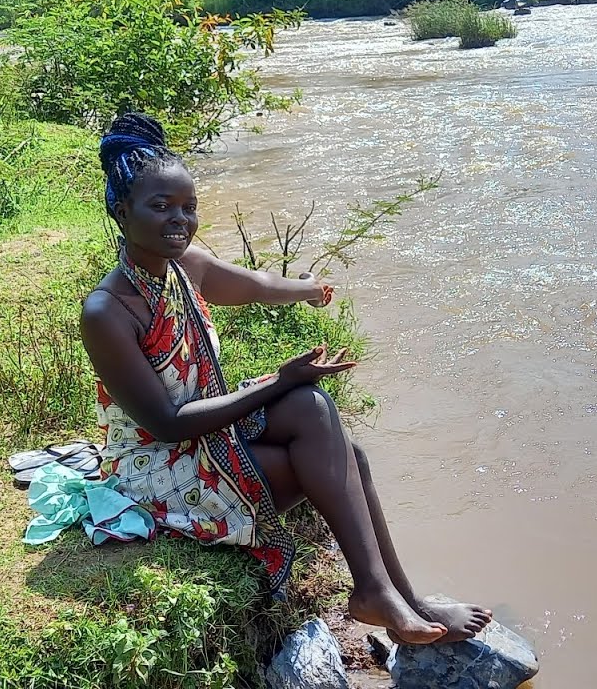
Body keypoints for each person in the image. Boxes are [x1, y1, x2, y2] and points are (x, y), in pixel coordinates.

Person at [80, 113, 492, 644]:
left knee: (318, 414)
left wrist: (309, 290)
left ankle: (393, 596)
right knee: (327, 457)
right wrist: (278, 380)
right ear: (121, 211)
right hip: (156, 464)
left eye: (189, 206)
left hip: (207, 431)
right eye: (161, 206)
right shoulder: (108, 311)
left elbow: (255, 285)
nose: (179, 219)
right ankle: (383, 595)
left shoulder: (187, 268)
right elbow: (166, 424)